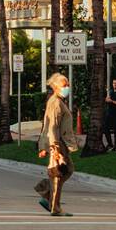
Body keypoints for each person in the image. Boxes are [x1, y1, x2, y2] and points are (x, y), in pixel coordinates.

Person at [35, 73, 79, 216]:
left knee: (62, 172)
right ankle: (53, 203)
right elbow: (52, 126)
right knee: (59, 173)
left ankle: (50, 199)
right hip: (58, 143)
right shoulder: (55, 102)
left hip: (61, 143)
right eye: (64, 85)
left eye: (68, 85)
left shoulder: (59, 101)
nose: (67, 88)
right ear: (55, 87)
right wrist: (54, 148)